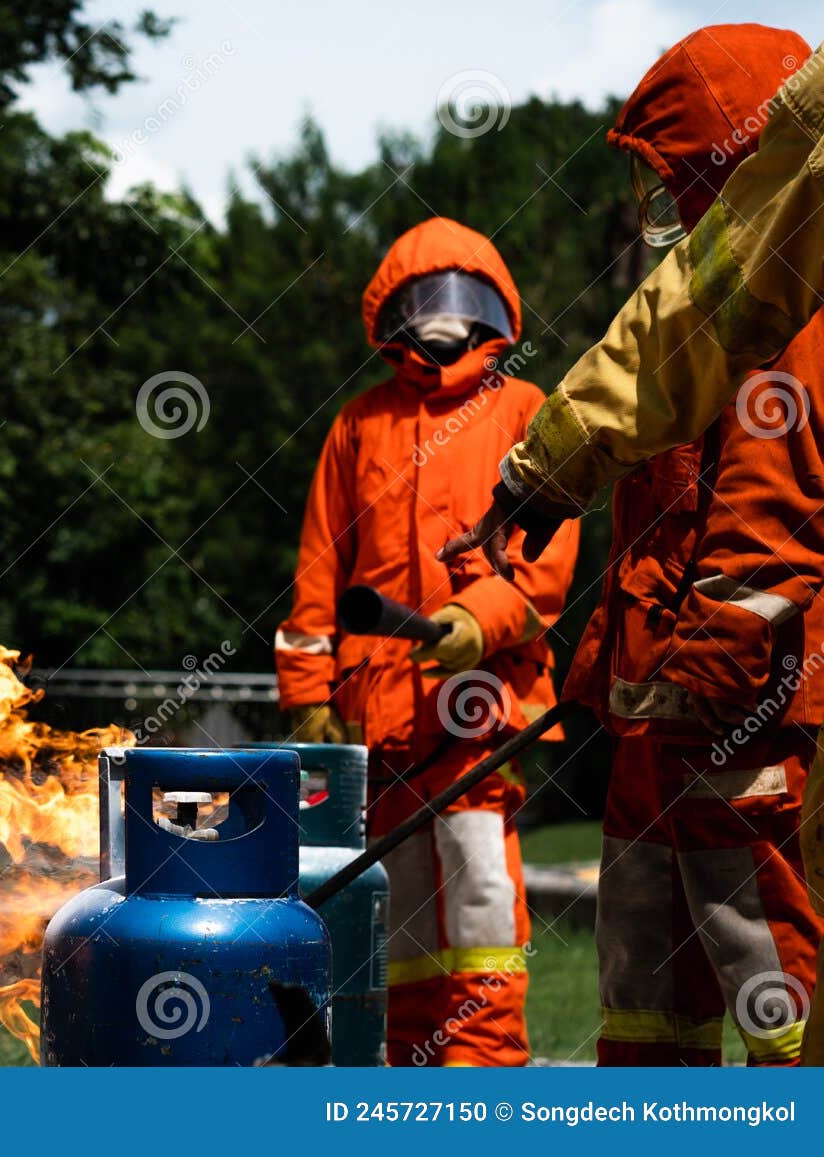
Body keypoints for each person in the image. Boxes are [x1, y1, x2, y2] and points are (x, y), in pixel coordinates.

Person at [444, 30, 824, 1063]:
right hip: (663, 712)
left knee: (773, 978)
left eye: (670, 173)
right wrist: (607, 663)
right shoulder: (724, 293)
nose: (655, 203)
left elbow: (767, 522)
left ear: (725, 161)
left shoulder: (785, 314)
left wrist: (709, 686)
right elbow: (653, 524)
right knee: (649, 983)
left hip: (747, 709)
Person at [277, 217, 578, 1066]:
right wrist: (305, 700)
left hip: (479, 712)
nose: (442, 317)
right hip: (379, 726)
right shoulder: (359, 425)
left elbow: (545, 557)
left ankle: (481, 1076)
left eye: (460, 297)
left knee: (481, 899)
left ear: (497, 310)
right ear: (390, 315)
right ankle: (413, 1076)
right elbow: (318, 573)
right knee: (397, 911)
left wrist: (478, 619)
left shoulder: (525, 409)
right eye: (422, 301)